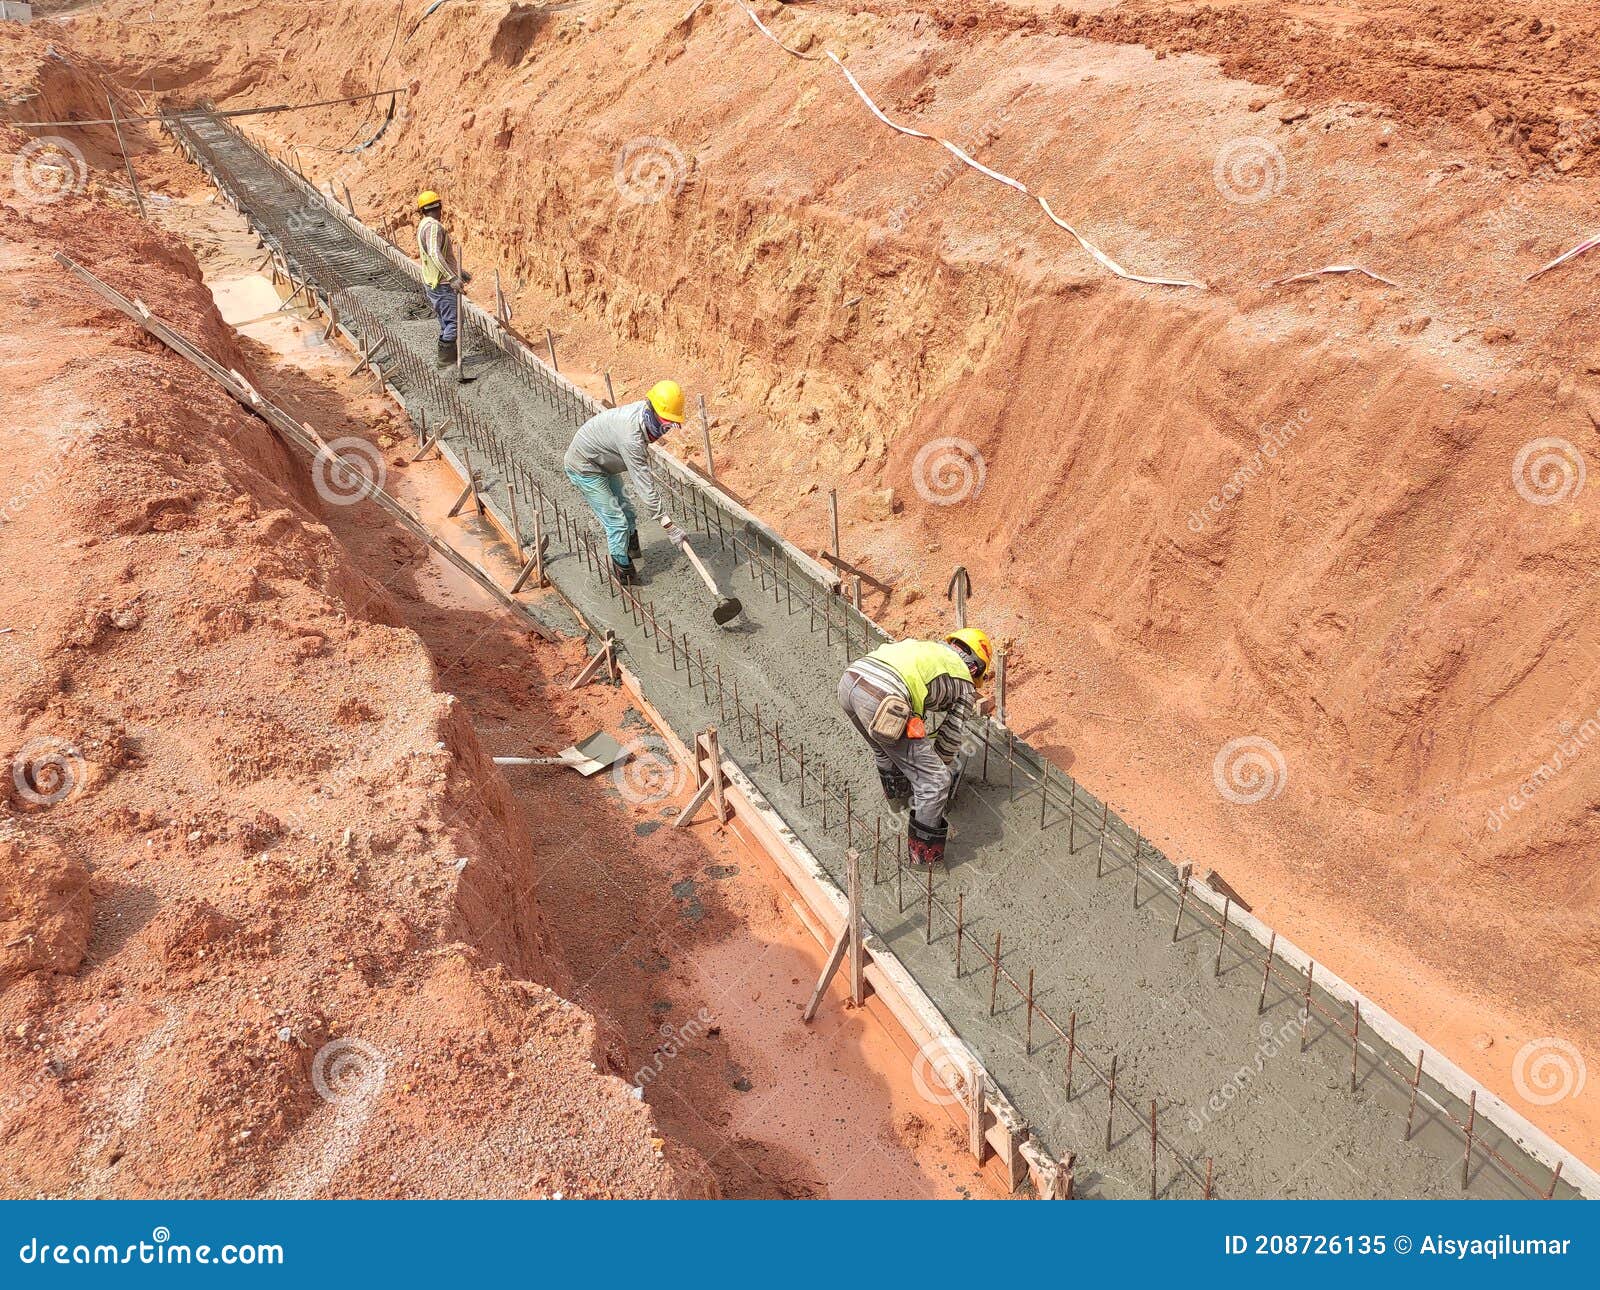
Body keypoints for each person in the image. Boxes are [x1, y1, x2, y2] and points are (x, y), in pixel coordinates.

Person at [837, 628, 994, 866]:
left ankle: (899, 802)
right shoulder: (965, 684)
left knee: (884, 747)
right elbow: (949, 739)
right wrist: (936, 776)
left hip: (850, 682)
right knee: (935, 781)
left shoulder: (931, 650)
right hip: (883, 700)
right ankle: (923, 860)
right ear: (976, 668)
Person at [563, 380, 689, 585]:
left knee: (628, 511)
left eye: (670, 425)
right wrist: (669, 526)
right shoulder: (631, 438)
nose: (665, 430)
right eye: (664, 423)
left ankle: (632, 550)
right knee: (617, 522)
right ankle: (625, 574)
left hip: (603, 462)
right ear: (652, 412)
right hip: (585, 467)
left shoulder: (644, 414)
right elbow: (644, 486)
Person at [414, 190, 469, 366]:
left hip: (433, 282)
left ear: (422, 210)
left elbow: (437, 256)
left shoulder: (423, 224)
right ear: (439, 207)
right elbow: (434, 253)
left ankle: (448, 360)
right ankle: (446, 362)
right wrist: (452, 277)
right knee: (454, 322)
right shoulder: (433, 226)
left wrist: (459, 271)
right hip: (442, 284)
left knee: (446, 322)